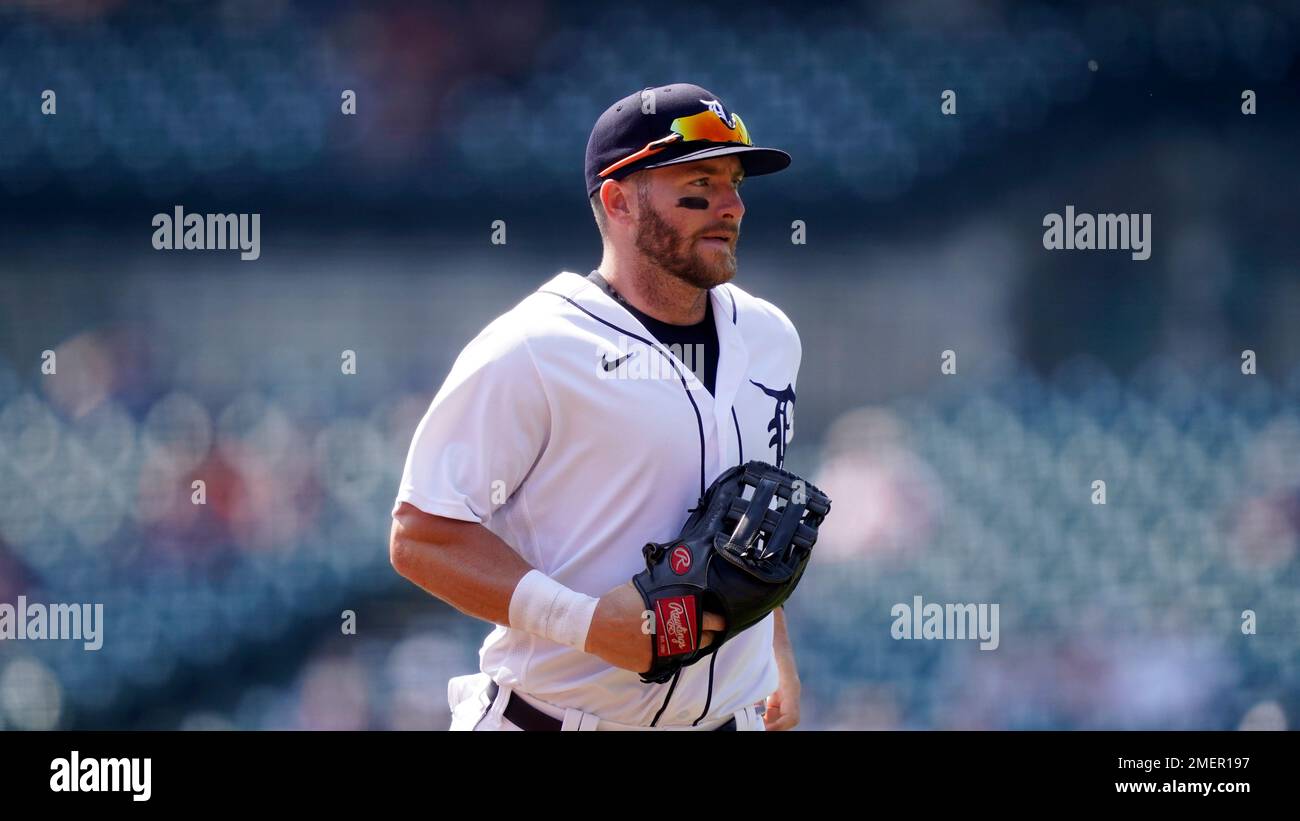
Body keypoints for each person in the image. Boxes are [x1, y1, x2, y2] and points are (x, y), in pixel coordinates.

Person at [391, 83, 805, 730]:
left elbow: (741, 529)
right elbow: (420, 535)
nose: (732, 206)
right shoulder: (535, 347)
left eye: (735, 181)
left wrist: (773, 648)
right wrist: (585, 623)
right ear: (619, 200)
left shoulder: (771, 338)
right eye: (699, 184)